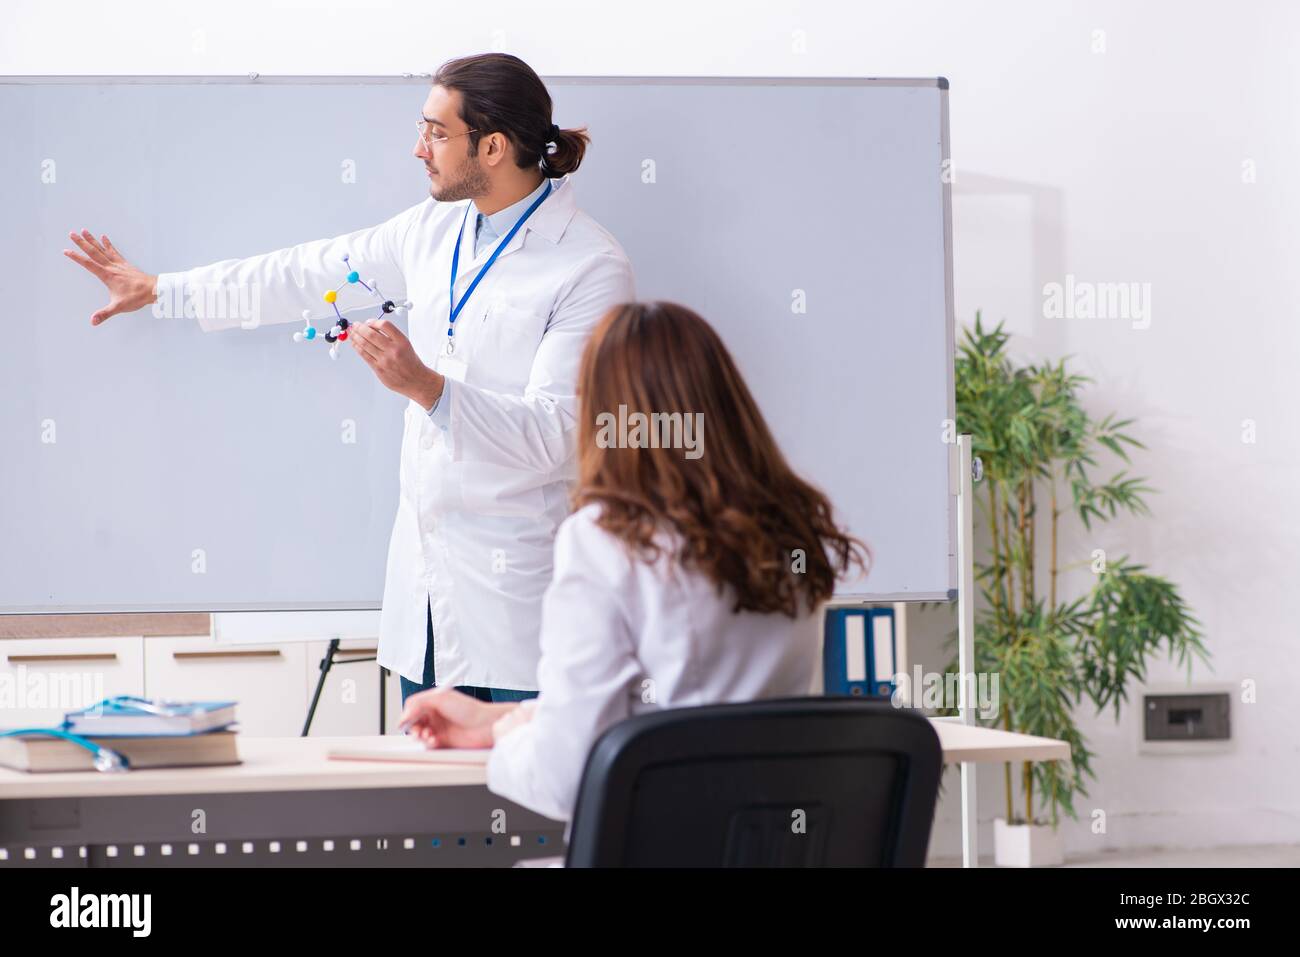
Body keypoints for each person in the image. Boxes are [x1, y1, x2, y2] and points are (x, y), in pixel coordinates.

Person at [62, 53, 635, 704]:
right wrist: (163, 291)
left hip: (515, 618)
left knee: (520, 803)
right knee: (426, 803)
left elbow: (561, 436)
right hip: (422, 606)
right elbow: (303, 276)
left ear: (495, 146)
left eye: (437, 133)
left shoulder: (590, 268)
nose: (418, 149)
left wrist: (429, 389)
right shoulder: (433, 229)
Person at [399, 301, 869, 822]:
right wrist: (503, 718)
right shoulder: (789, 531)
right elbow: (681, 713)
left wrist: (507, 740)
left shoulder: (605, 541)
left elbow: (562, 780)